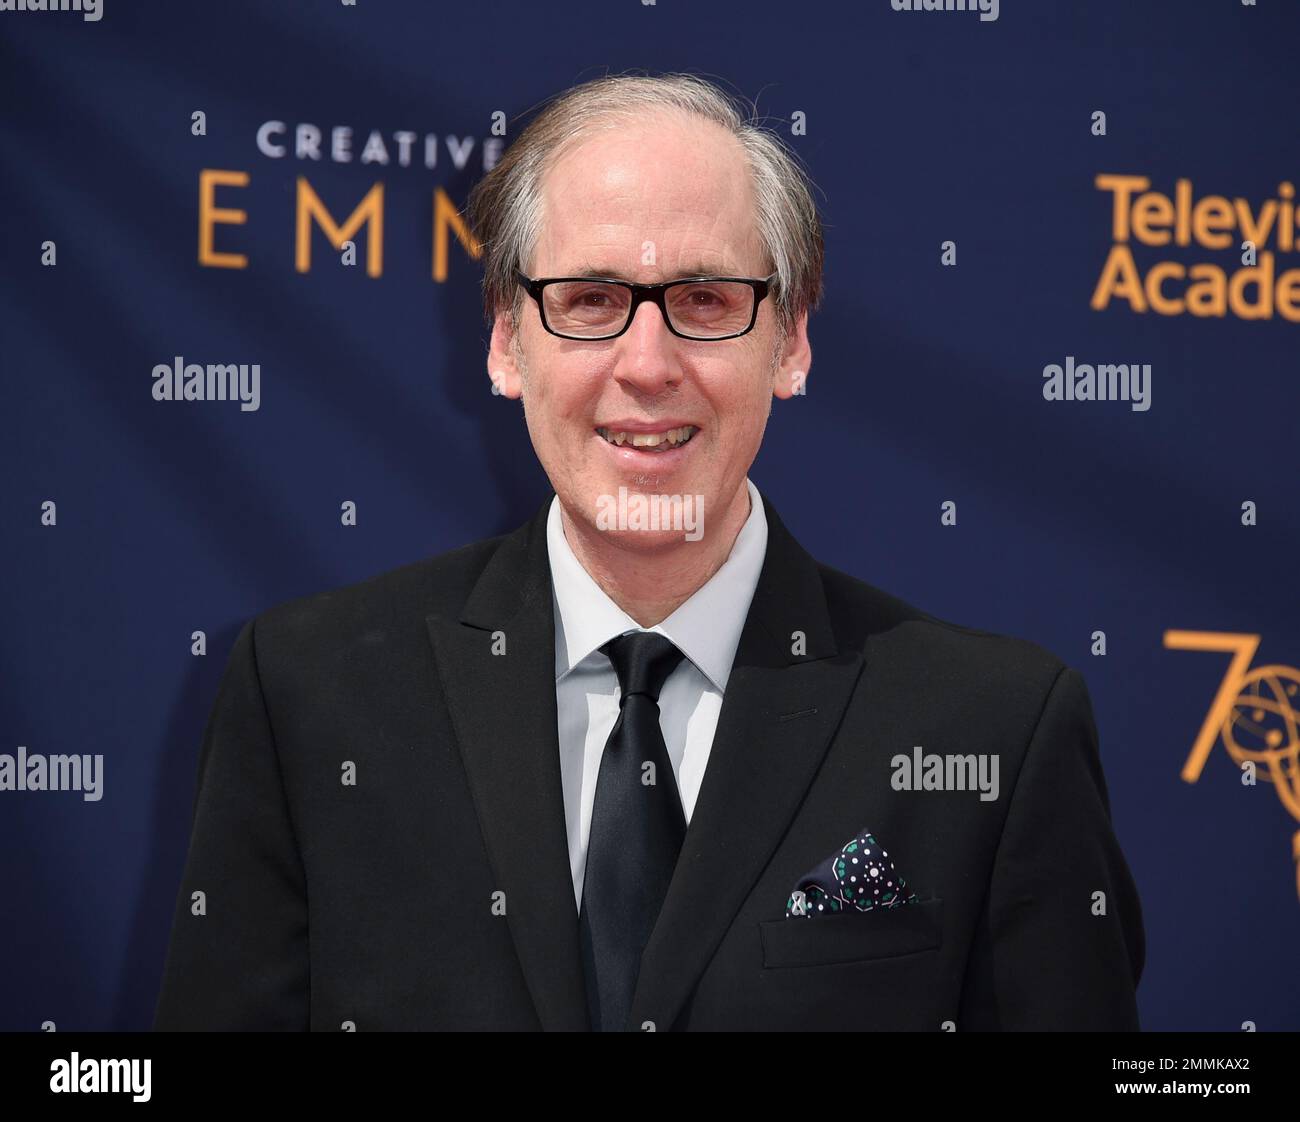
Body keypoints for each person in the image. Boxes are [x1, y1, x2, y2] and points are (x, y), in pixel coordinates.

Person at [154, 72, 1143, 1031]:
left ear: (790, 340)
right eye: (588, 300)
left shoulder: (996, 730)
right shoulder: (306, 694)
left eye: (706, 301)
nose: (646, 364)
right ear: (505, 341)